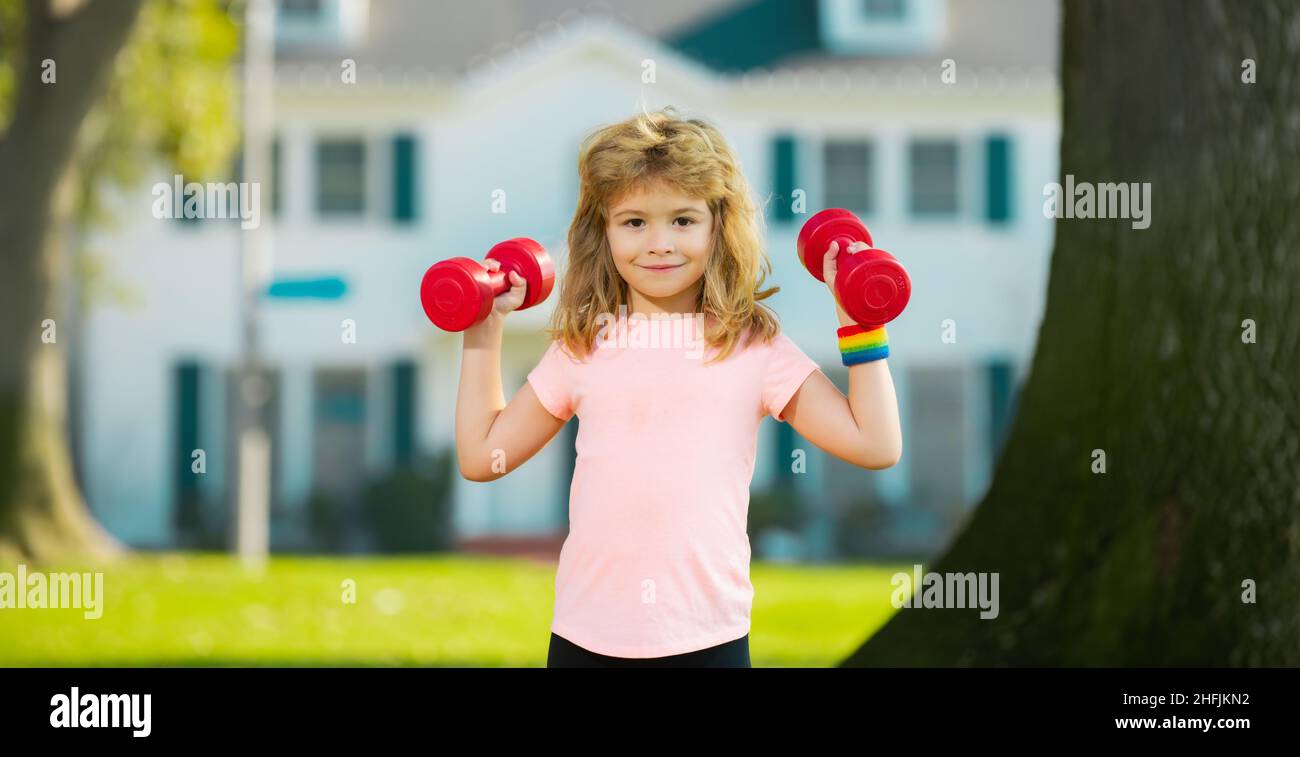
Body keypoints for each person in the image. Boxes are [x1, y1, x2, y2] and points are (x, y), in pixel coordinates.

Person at [455, 106, 903, 668]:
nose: (660, 243)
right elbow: (481, 456)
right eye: (635, 221)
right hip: (584, 638)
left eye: (683, 220)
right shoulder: (583, 345)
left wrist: (860, 319)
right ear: (604, 230)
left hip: (707, 639)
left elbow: (875, 445)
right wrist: (482, 328)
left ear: (719, 226)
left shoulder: (752, 347)